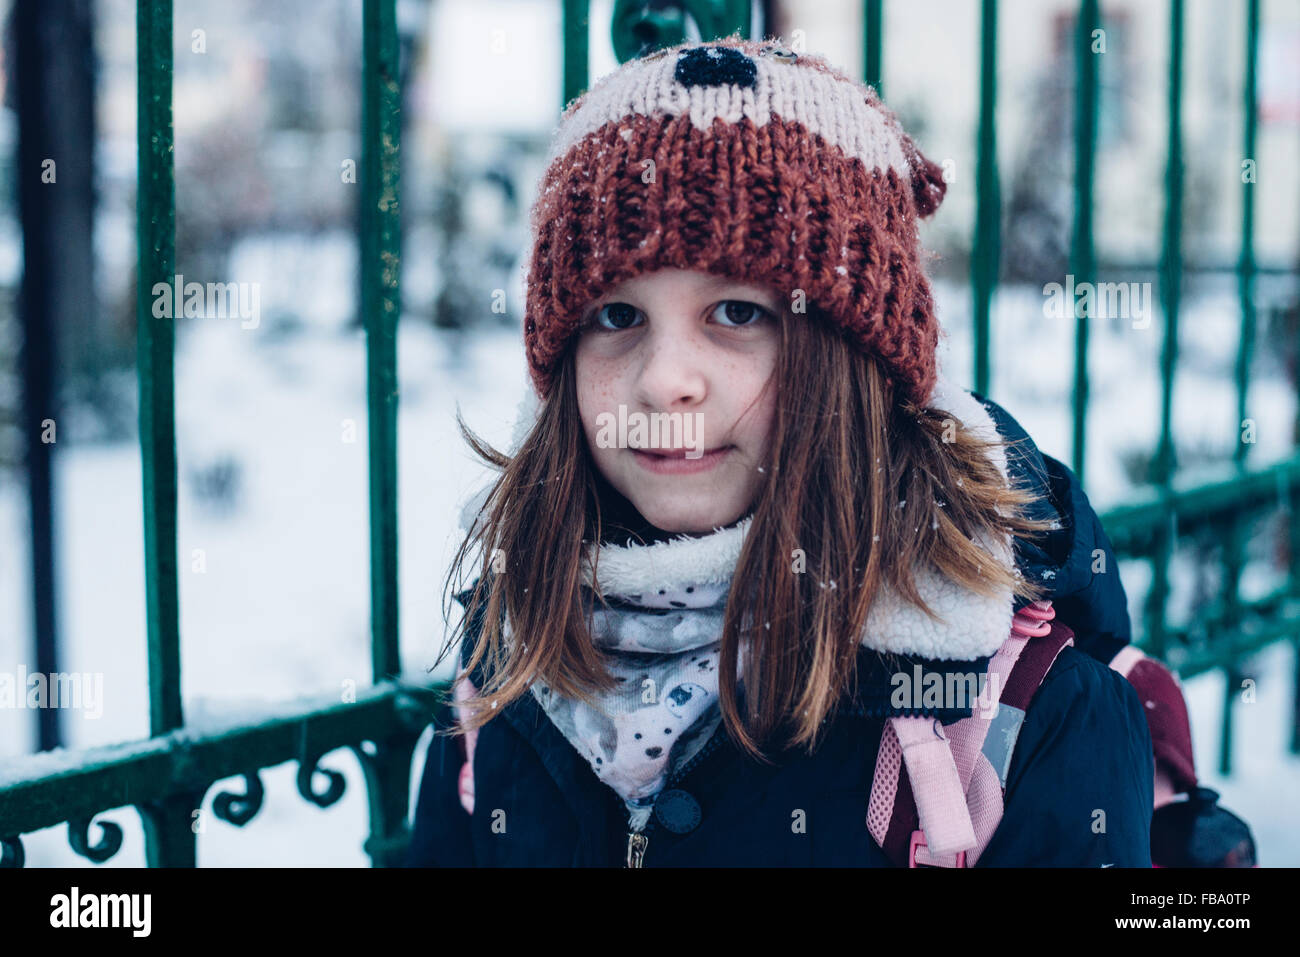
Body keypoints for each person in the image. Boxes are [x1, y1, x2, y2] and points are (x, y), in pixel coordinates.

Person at [406, 36, 1154, 867]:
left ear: (853, 359)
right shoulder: (508, 665)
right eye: (617, 317)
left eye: (736, 312)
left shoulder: (1019, 712)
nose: (665, 382)